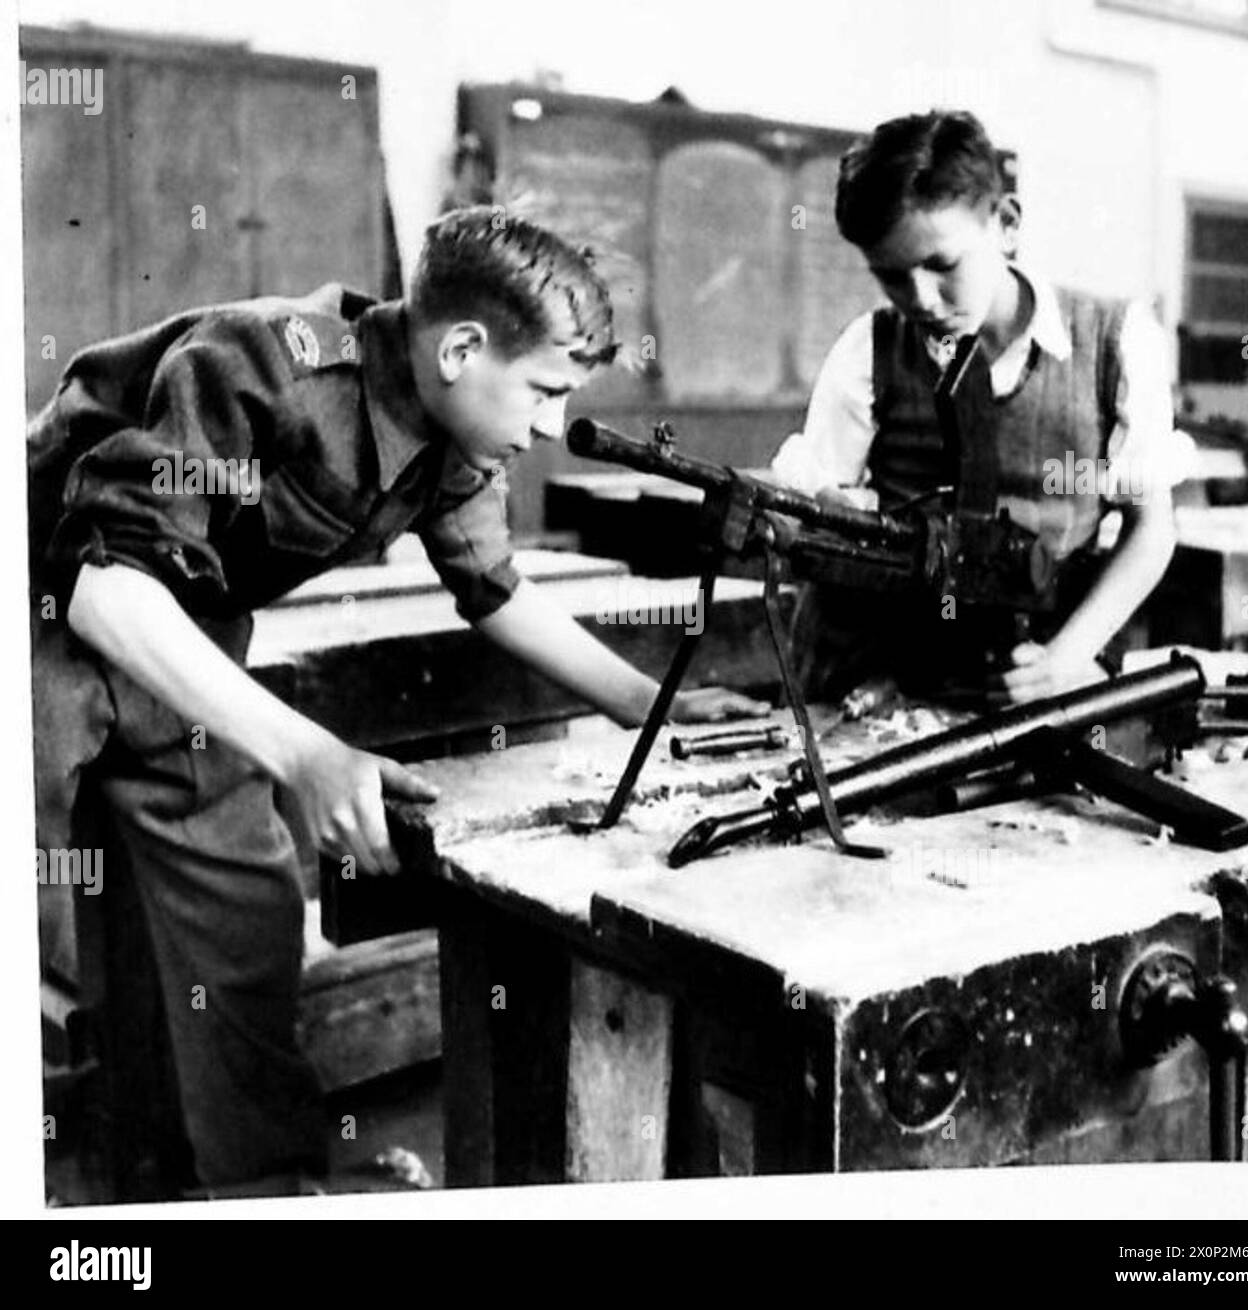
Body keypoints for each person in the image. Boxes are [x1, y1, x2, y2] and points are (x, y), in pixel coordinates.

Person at [27, 207, 766, 1196]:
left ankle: (264, 1193)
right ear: (461, 347)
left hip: (187, 649)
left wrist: (650, 702)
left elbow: (492, 584)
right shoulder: (261, 367)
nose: (550, 425)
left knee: (243, 932)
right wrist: (306, 756)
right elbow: (103, 584)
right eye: (544, 390)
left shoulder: (459, 435)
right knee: (40, 946)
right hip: (39, 623)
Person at [769, 110, 1177, 704]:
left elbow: (1152, 529)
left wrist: (1065, 660)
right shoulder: (868, 351)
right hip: (878, 679)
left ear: (1005, 225)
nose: (922, 300)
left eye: (942, 266)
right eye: (892, 278)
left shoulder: (1115, 343)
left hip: (1030, 675)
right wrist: (822, 518)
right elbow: (816, 515)